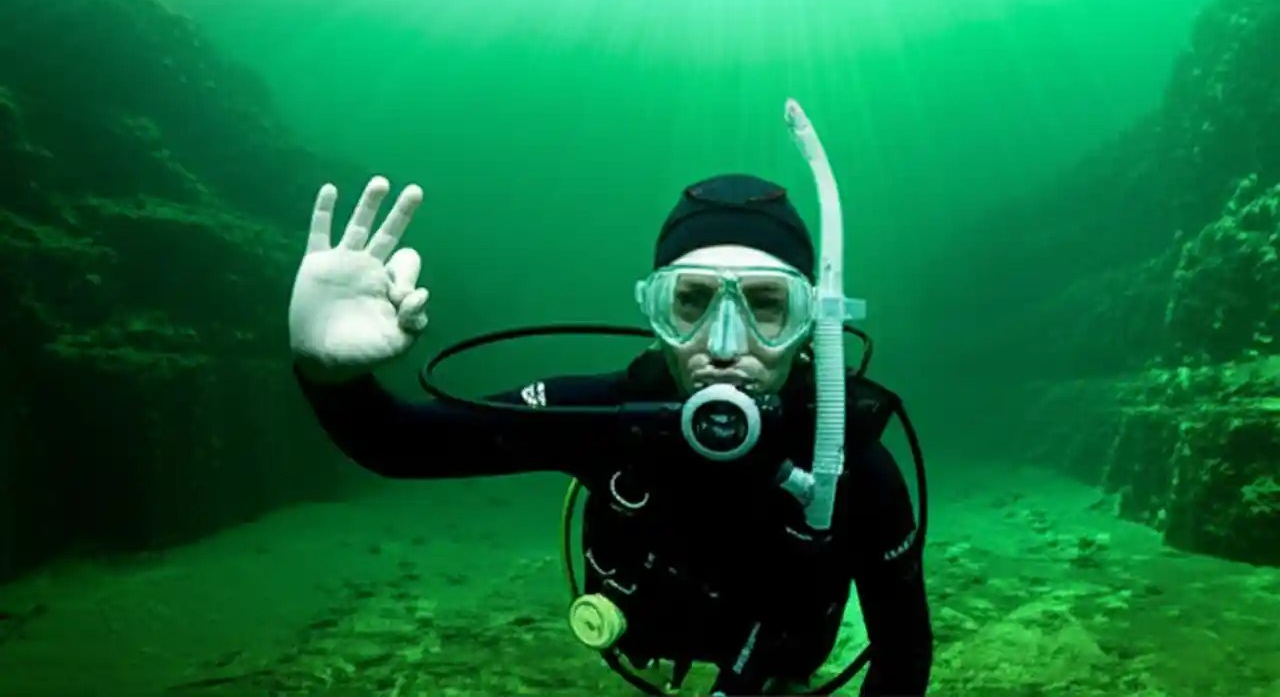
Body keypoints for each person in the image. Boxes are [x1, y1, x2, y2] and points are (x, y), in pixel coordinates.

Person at [288, 169, 932, 694]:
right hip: (647, 633)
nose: (727, 344)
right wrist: (327, 372)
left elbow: (902, 652)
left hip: (783, 656)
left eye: (767, 306)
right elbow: (399, 443)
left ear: (809, 325)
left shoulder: (851, 463)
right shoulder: (607, 420)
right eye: (692, 301)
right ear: (656, 316)